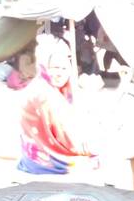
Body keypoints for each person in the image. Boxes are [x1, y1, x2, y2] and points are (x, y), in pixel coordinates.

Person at [17, 35, 95, 175]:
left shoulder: (63, 91)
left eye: (64, 69)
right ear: (45, 68)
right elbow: (66, 136)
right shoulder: (43, 93)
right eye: (55, 68)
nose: (59, 74)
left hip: (36, 156)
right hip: (43, 159)